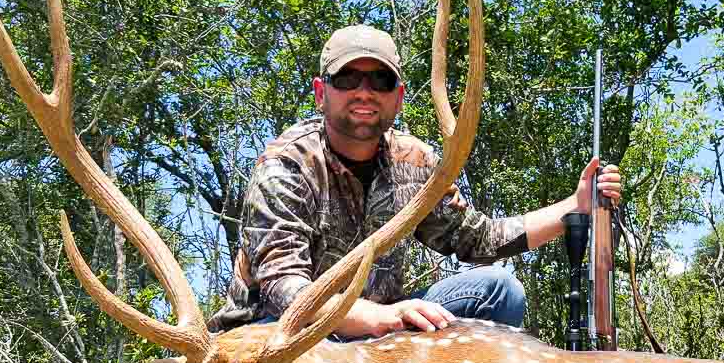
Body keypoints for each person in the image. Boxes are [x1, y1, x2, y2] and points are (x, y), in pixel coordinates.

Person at [209, 25, 622, 338]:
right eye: (348, 80)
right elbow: (284, 289)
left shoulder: (417, 162)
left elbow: (479, 239)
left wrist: (574, 205)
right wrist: (378, 317)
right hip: (282, 334)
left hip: (380, 334)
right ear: (321, 93)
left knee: (501, 292)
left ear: (399, 96)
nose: (364, 92)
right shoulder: (286, 165)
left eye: (380, 81)